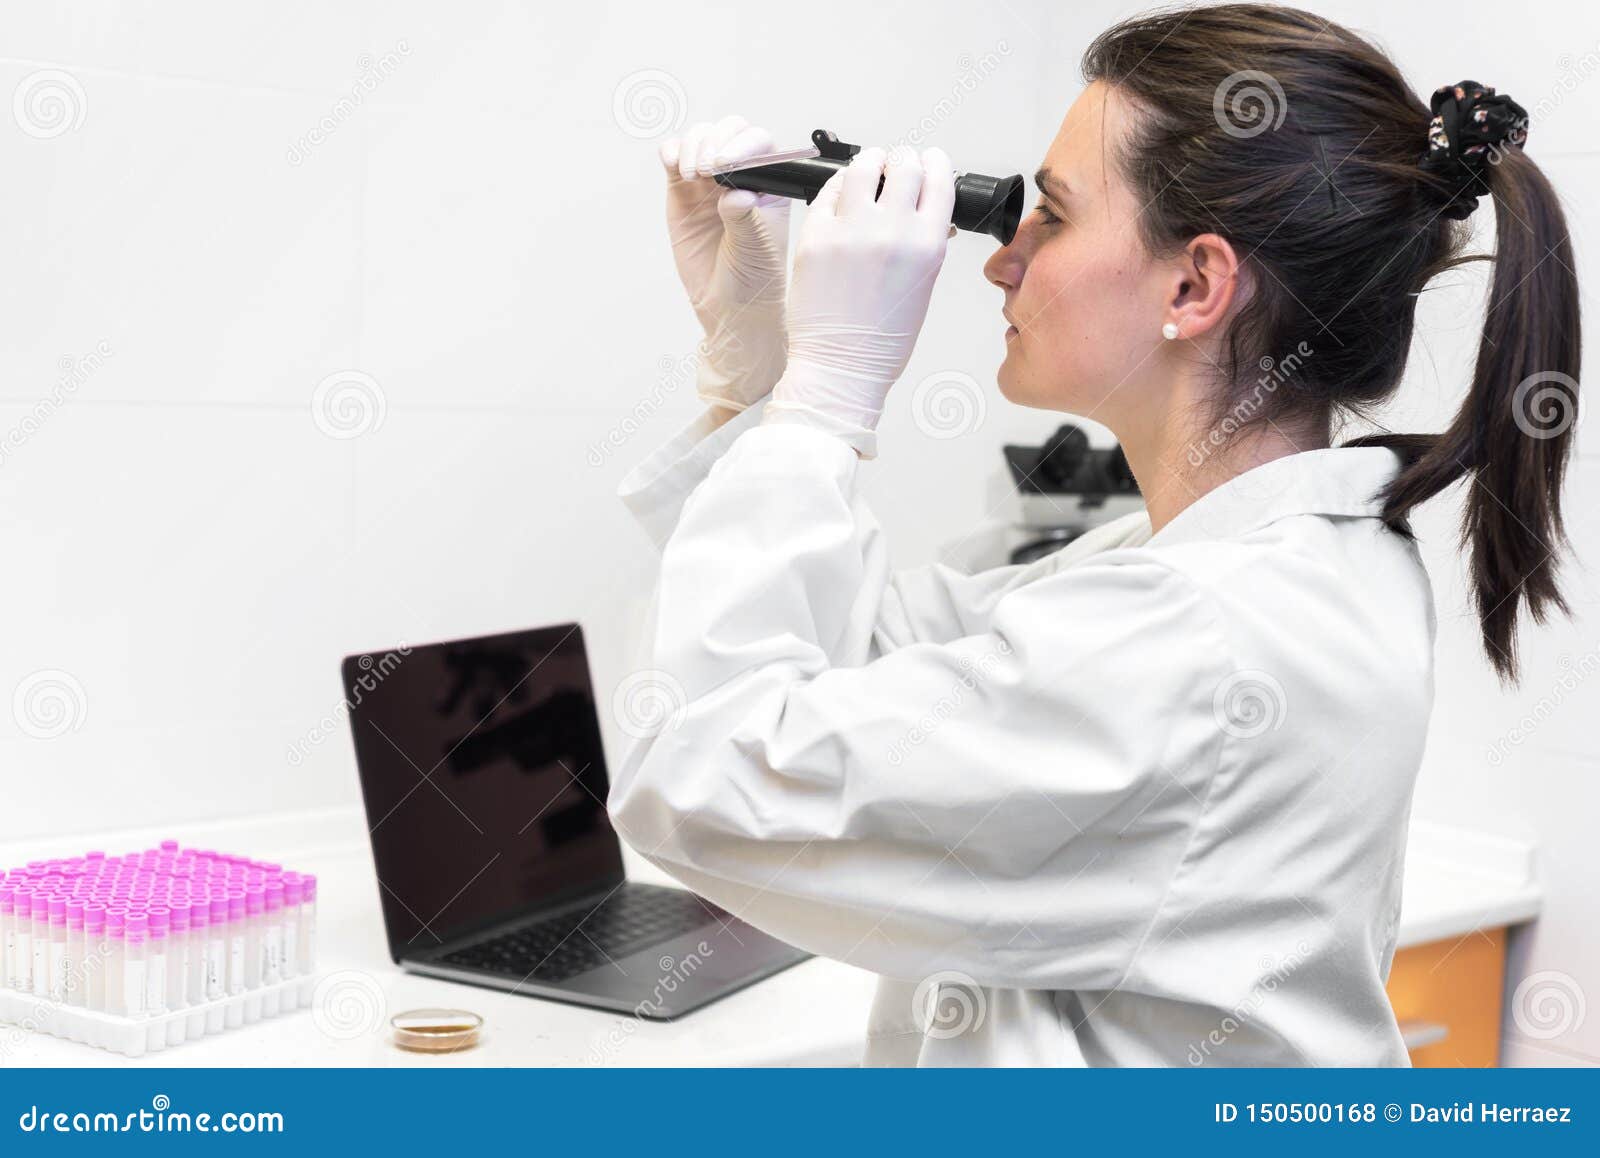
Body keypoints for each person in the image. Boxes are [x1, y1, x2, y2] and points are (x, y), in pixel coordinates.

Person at [607, 3, 1580, 1065]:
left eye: (1054, 216)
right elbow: (867, 660)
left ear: (1194, 284)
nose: (1000, 260)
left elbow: (699, 779)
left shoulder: (1200, 637)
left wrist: (828, 397)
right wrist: (762, 380)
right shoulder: (1227, 572)